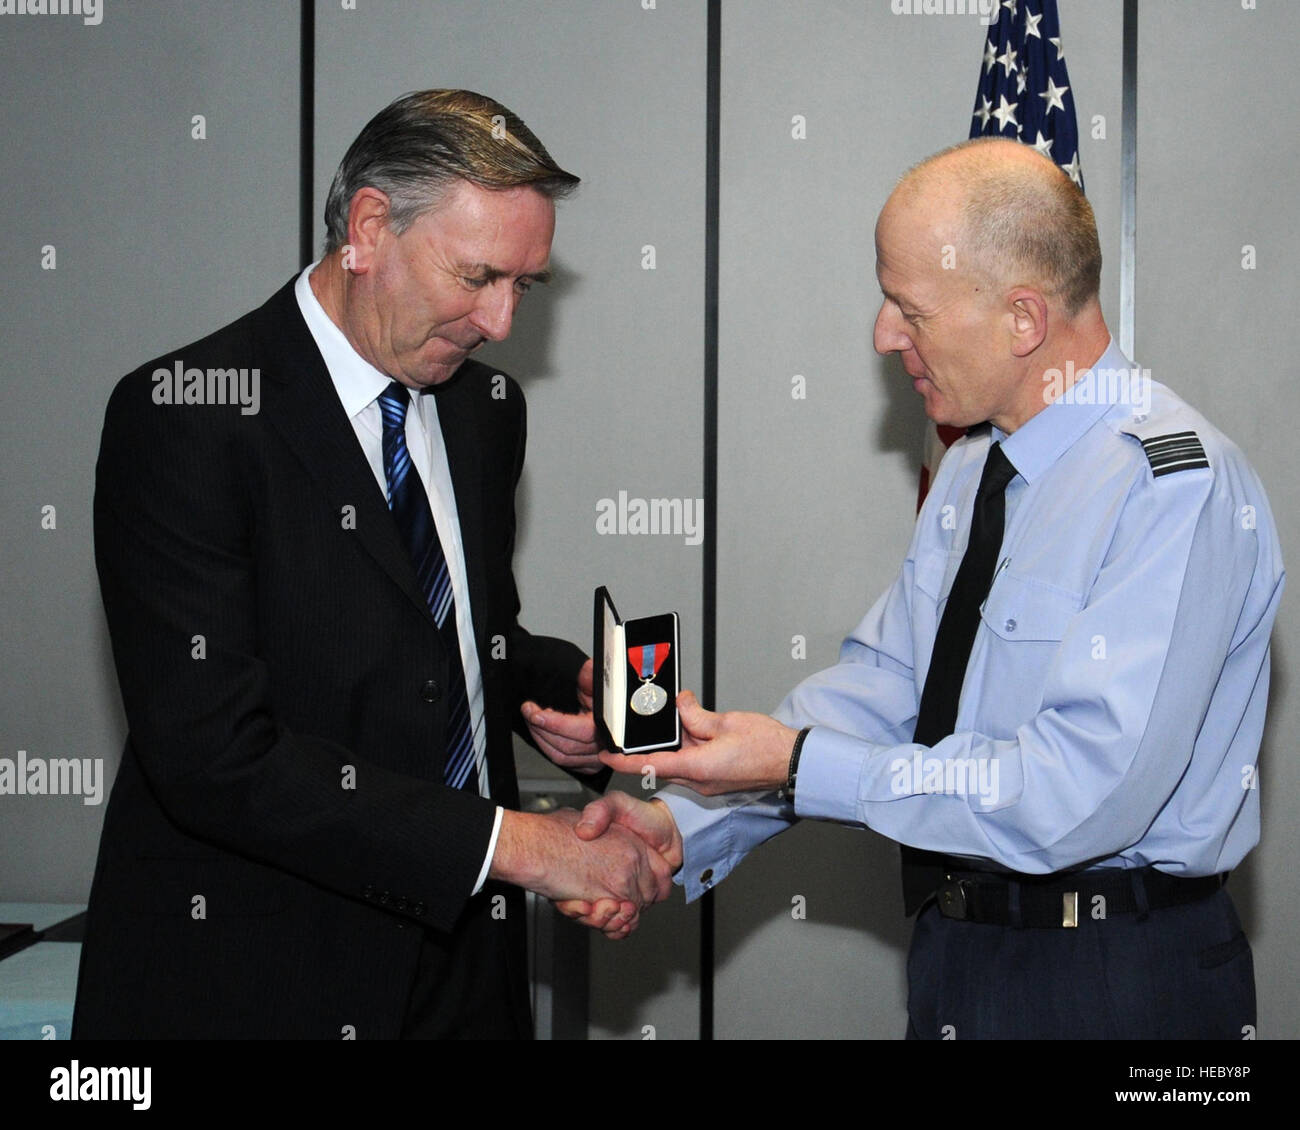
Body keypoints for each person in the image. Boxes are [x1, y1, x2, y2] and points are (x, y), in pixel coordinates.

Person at [564, 137, 1285, 1039]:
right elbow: (886, 690)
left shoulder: (1173, 487)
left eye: (910, 308)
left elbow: (1082, 796)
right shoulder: (970, 469)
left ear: (1023, 321)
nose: (882, 335)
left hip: (1119, 980)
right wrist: (687, 823)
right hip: (960, 958)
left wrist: (790, 764)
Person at [73, 89, 672, 1041]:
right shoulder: (188, 413)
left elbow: (456, 637)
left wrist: (586, 691)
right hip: (263, 979)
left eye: (527, 285)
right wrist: (520, 848)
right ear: (367, 228)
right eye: (479, 275)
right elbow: (213, 756)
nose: (503, 320)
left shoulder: (484, 412)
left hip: (466, 971)